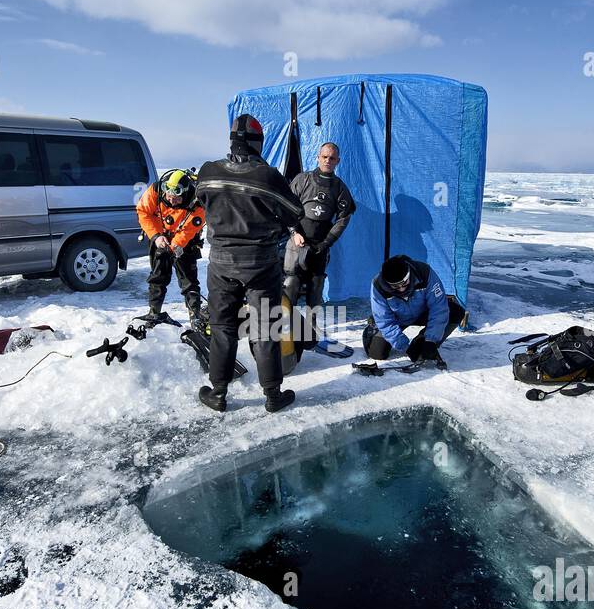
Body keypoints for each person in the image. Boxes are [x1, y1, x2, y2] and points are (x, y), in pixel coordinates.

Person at [194, 114, 305, 413]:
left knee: (222, 327)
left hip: (220, 262)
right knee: (265, 328)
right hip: (260, 263)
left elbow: (201, 200)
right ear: (259, 142)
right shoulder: (268, 176)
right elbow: (295, 214)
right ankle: (272, 396)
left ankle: (218, 392)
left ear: (232, 140)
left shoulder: (208, 171)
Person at [284, 142, 356, 348]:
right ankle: (284, 324)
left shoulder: (340, 188)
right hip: (297, 241)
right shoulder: (302, 180)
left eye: (332, 158)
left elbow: (344, 217)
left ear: (338, 161)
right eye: (324, 156)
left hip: (320, 245)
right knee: (291, 283)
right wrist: (294, 232)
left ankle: (312, 327)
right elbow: (286, 207)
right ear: (317, 157)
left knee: (316, 286)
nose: (327, 160)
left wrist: (327, 242)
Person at [136, 168, 206, 330]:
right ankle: (154, 312)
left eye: (176, 198)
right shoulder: (156, 190)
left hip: (185, 240)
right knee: (158, 276)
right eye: (169, 197)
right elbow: (143, 211)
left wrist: (177, 244)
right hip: (160, 235)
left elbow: (189, 229)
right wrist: (155, 236)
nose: (171, 201)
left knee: (188, 281)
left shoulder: (197, 202)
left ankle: (195, 317)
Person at [364, 255, 465, 363]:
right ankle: (372, 330)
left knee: (455, 312)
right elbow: (384, 320)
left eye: (404, 283)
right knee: (377, 353)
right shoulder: (378, 286)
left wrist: (430, 340)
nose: (401, 289)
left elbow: (438, 308)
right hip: (397, 318)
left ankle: (422, 340)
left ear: (409, 274)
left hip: (422, 312)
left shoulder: (425, 273)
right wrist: (405, 347)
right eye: (395, 287)